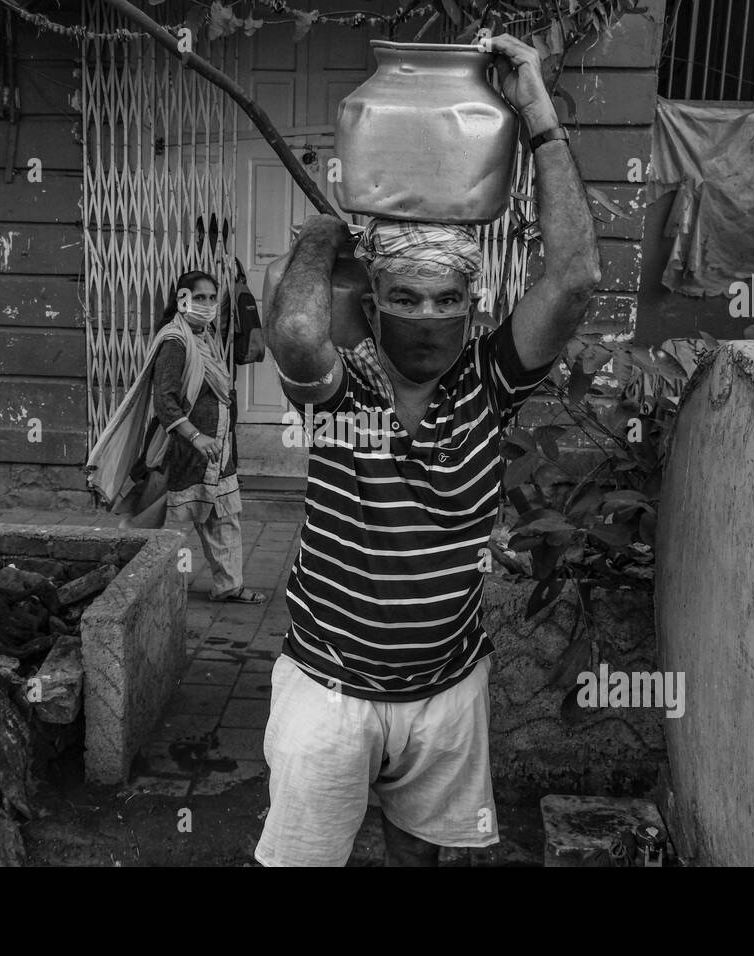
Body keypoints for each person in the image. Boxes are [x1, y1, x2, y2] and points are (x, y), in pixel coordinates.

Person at [255, 33, 602, 866]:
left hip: (446, 694)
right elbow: (300, 333)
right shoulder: (347, 394)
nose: (428, 316)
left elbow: (575, 280)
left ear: (473, 305)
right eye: (405, 296)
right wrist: (322, 238)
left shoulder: (491, 383)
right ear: (372, 306)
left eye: (448, 297)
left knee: (422, 857)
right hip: (328, 693)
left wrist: (539, 116)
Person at [149, 270, 265, 604]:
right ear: (182, 299)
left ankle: (229, 586)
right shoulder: (175, 341)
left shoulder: (205, 336)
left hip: (217, 446)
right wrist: (196, 436)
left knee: (224, 513)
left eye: (213, 298)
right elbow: (165, 400)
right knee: (169, 517)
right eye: (200, 298)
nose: (209, 304)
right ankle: (140, 580)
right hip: (187, 449)